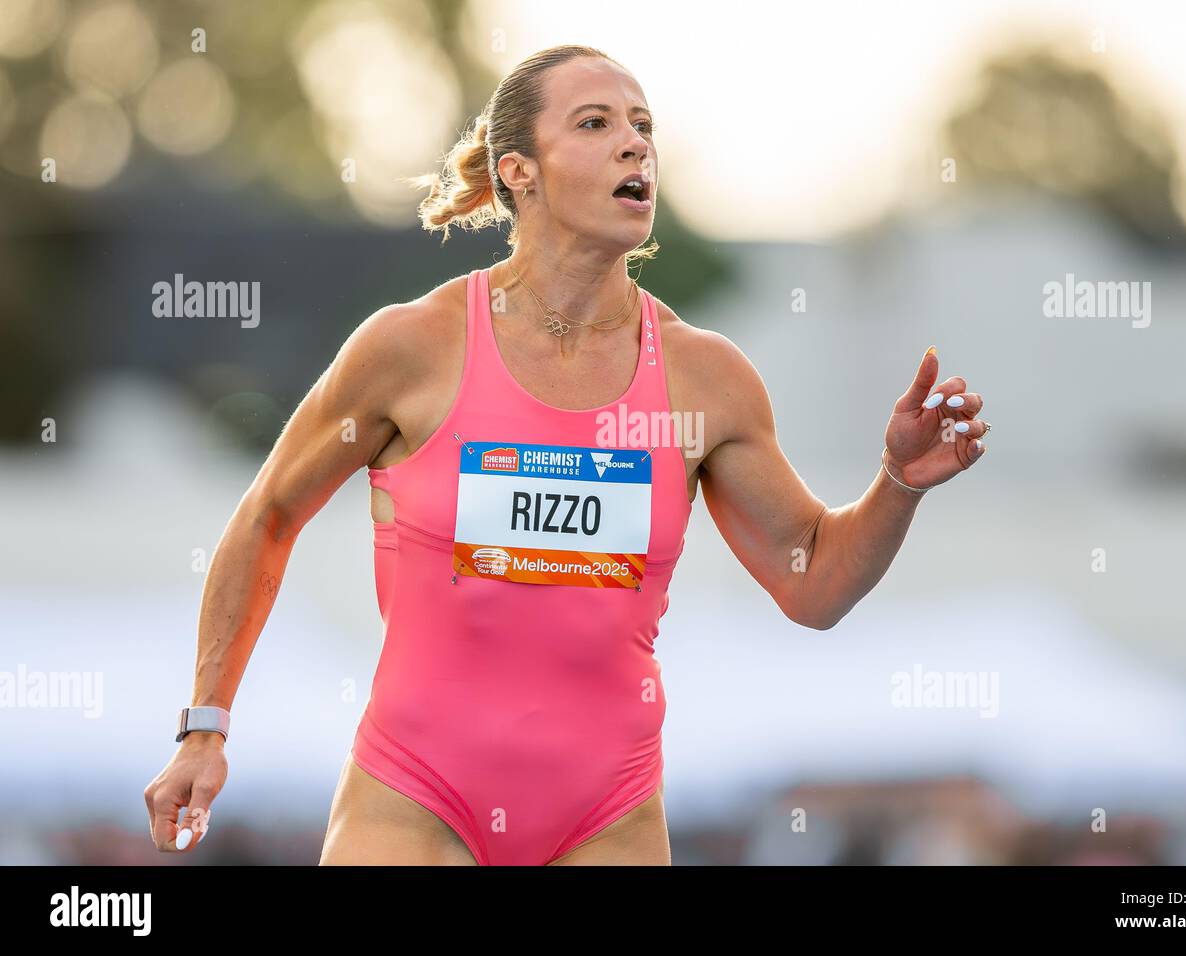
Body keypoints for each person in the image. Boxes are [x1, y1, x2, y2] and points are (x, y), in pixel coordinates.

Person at [144, 44, 990, 866]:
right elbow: (268, 517)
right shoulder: (412, 347)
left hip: (607, 816)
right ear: (519, 170)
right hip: (414, 798)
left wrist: (897, 483)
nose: (635, 143)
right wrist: (204, 728)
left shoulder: (706, 379)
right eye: (594, 123)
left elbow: (814, 584)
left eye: (643, 125)